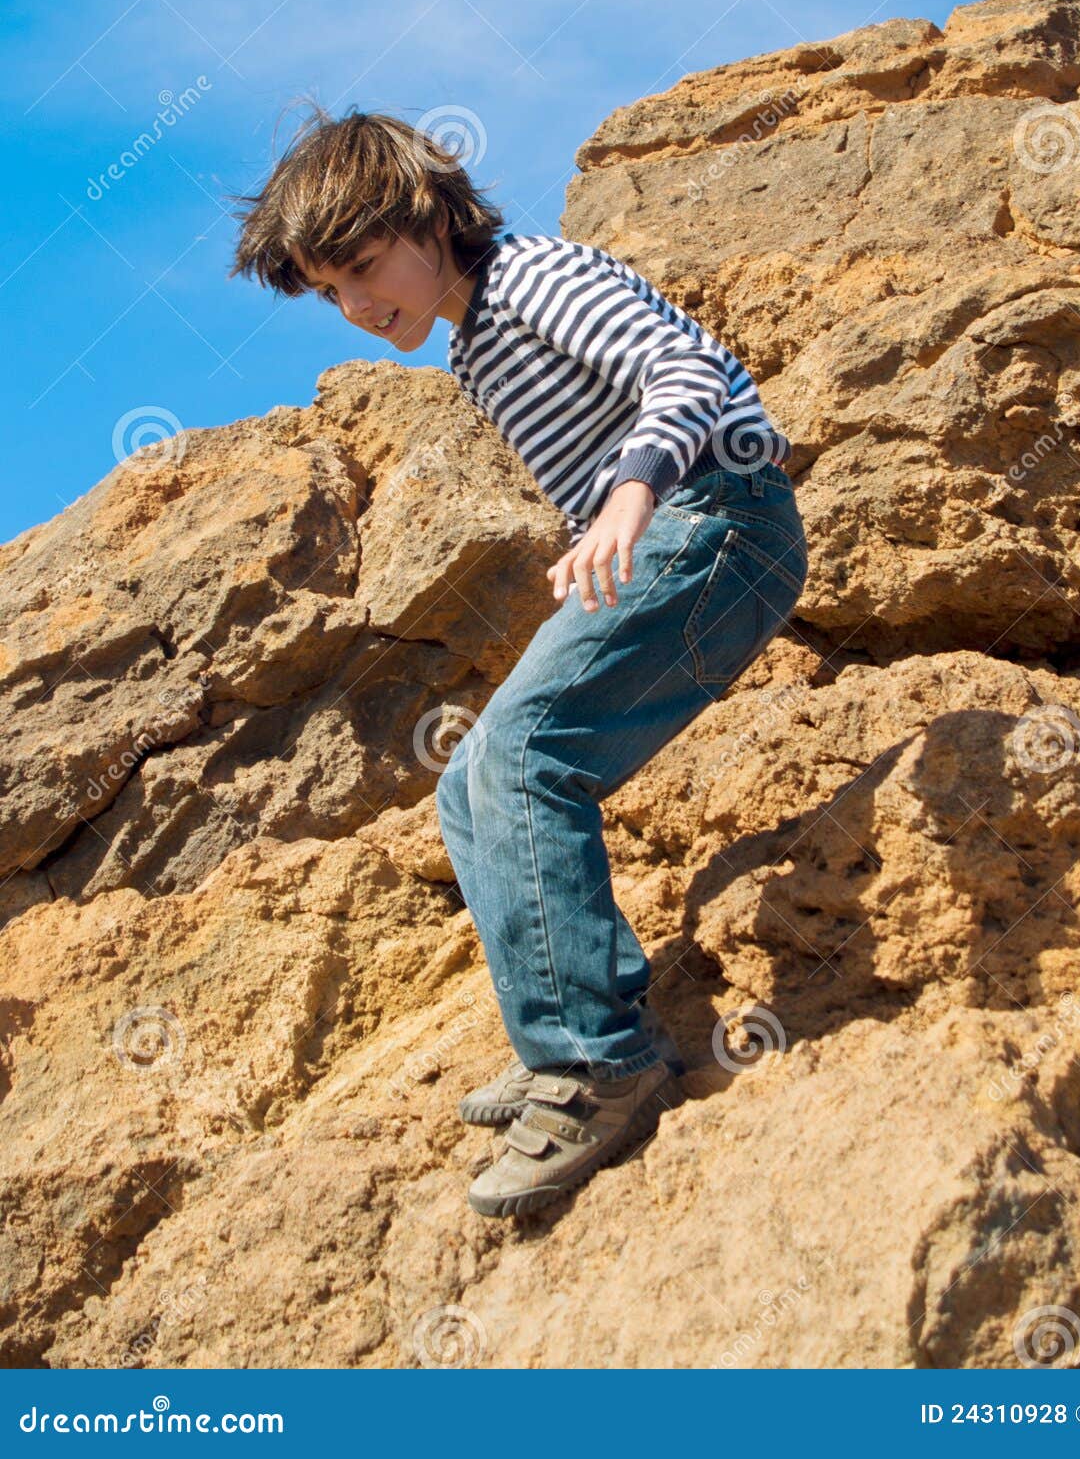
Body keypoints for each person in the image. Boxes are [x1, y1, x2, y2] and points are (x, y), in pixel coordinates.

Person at [227, 103, 808, 1219]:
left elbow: (683, 365)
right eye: (330, 292)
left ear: (428, 211)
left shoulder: (535, 275)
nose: (355, 304)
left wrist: (632, 491)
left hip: (719, 517)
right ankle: (560, 1034)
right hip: (684, 536)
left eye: (362, 265)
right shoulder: (473, 340)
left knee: (520, 757)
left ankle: (597, 1060)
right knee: (472, 778)